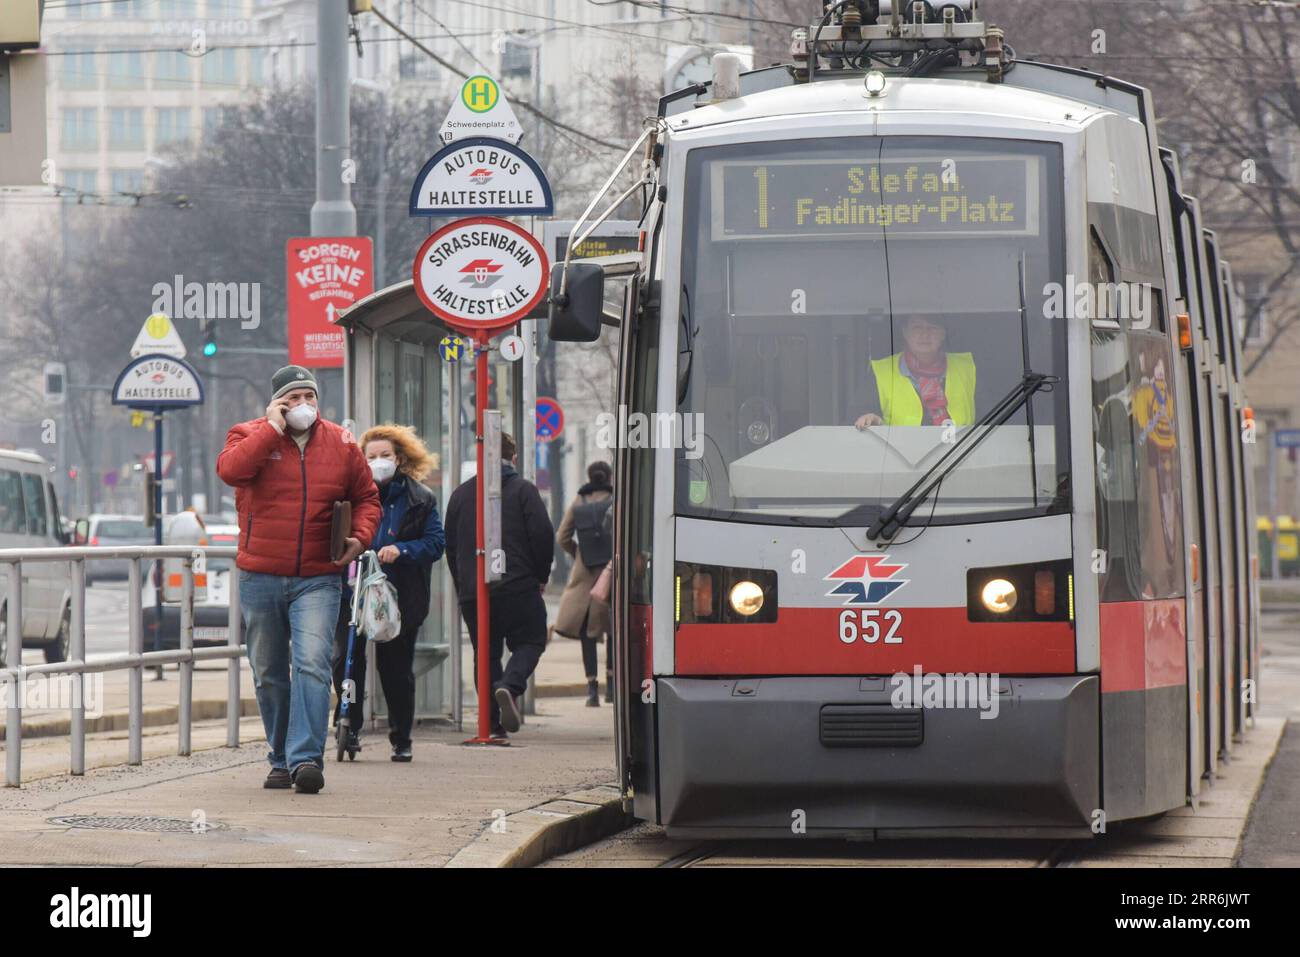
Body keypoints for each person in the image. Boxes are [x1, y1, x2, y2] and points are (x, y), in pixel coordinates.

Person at [216, 365, 380, 794]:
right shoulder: (248, 434)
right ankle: (280, 757)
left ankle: (306, 758)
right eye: (292, 398)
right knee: (269, 670)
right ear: (276, 403)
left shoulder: (342, 443)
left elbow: (367, 499)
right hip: (260, 574)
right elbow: (231, 471)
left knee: (311, 663)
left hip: (318, 577)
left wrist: (359, 538)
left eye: (309, 397)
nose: (302, 405)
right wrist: (270, 430)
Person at [331, 424, 445, 762]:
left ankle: (401, 736)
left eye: (386, 456)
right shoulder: (351, 495)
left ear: (400, 459)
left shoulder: (419, 498)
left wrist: (402, 550)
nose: (379, 462)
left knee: (396, 668)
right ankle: (348, 725)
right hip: (353, 592)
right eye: (372, 457)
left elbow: (436, 543)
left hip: (398, 594)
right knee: (346, 660)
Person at [444, 431, 554, 737]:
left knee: (486, 653)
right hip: (518, 585)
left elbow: (449, 547)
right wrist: (541, 575)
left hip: (474, 591)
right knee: (531, 640)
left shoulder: (461, 495)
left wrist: (463, 583)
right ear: (513, 458)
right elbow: (543, 536)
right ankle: (509, 685)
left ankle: (492, 725)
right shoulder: (523, 491)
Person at [553, 461, 614, 706]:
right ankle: (611, 687)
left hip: (585, 572)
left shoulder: (579, 502)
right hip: (611, 571)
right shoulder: (616, 500)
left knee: (587, 632)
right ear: (609, 477)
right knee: (613, 630)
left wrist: (578, 553)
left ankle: (592, 689)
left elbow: (562, 536)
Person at [855, 314, 976, 428]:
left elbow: (988, 421)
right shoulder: (880, 371)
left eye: (932, 328)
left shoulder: (968, 367)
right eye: (917, 327)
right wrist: (871, 419)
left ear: (943, 333)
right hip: (900, 448)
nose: (925, 334)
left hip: (962, 448)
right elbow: (859, 419)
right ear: (905, 332)